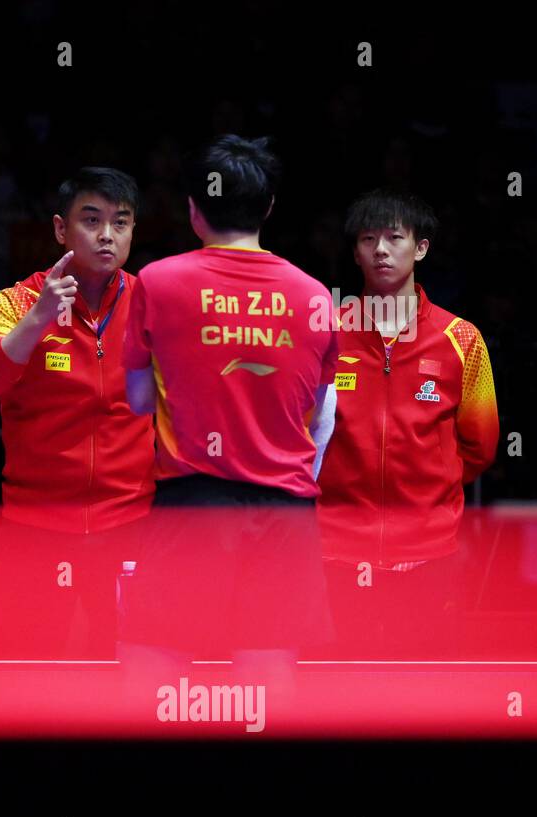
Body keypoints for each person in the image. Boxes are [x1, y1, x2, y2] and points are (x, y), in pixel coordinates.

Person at [120, 136, 338, 665]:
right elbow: (324, 416)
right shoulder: (315, 295)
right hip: (285, 513)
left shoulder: (157, 281)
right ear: (267, 208)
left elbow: (140, 400)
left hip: (193, 507)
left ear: (194, 210)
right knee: (266, 675)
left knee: (156, 664)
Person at [0, 167, 155, 659]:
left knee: (127, 672)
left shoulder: (152, 305)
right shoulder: (15, 302)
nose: (107, 235)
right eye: (91, 221)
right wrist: (37, 321)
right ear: (59, 230)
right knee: (27, 671)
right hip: (36, 530)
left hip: (129, 527)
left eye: (121, 222)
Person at [318, 189, 499, 657]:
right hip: (338, 546)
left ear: (420, 248)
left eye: (394, 237)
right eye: (368, 238)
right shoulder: (325, 335)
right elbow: (300, 432)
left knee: (420, 677)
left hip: (429, 549)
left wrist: (429, 495)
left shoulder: (462, 339)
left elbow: (479, 445)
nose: (381, 249)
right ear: (355, 251)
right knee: (348, 678)